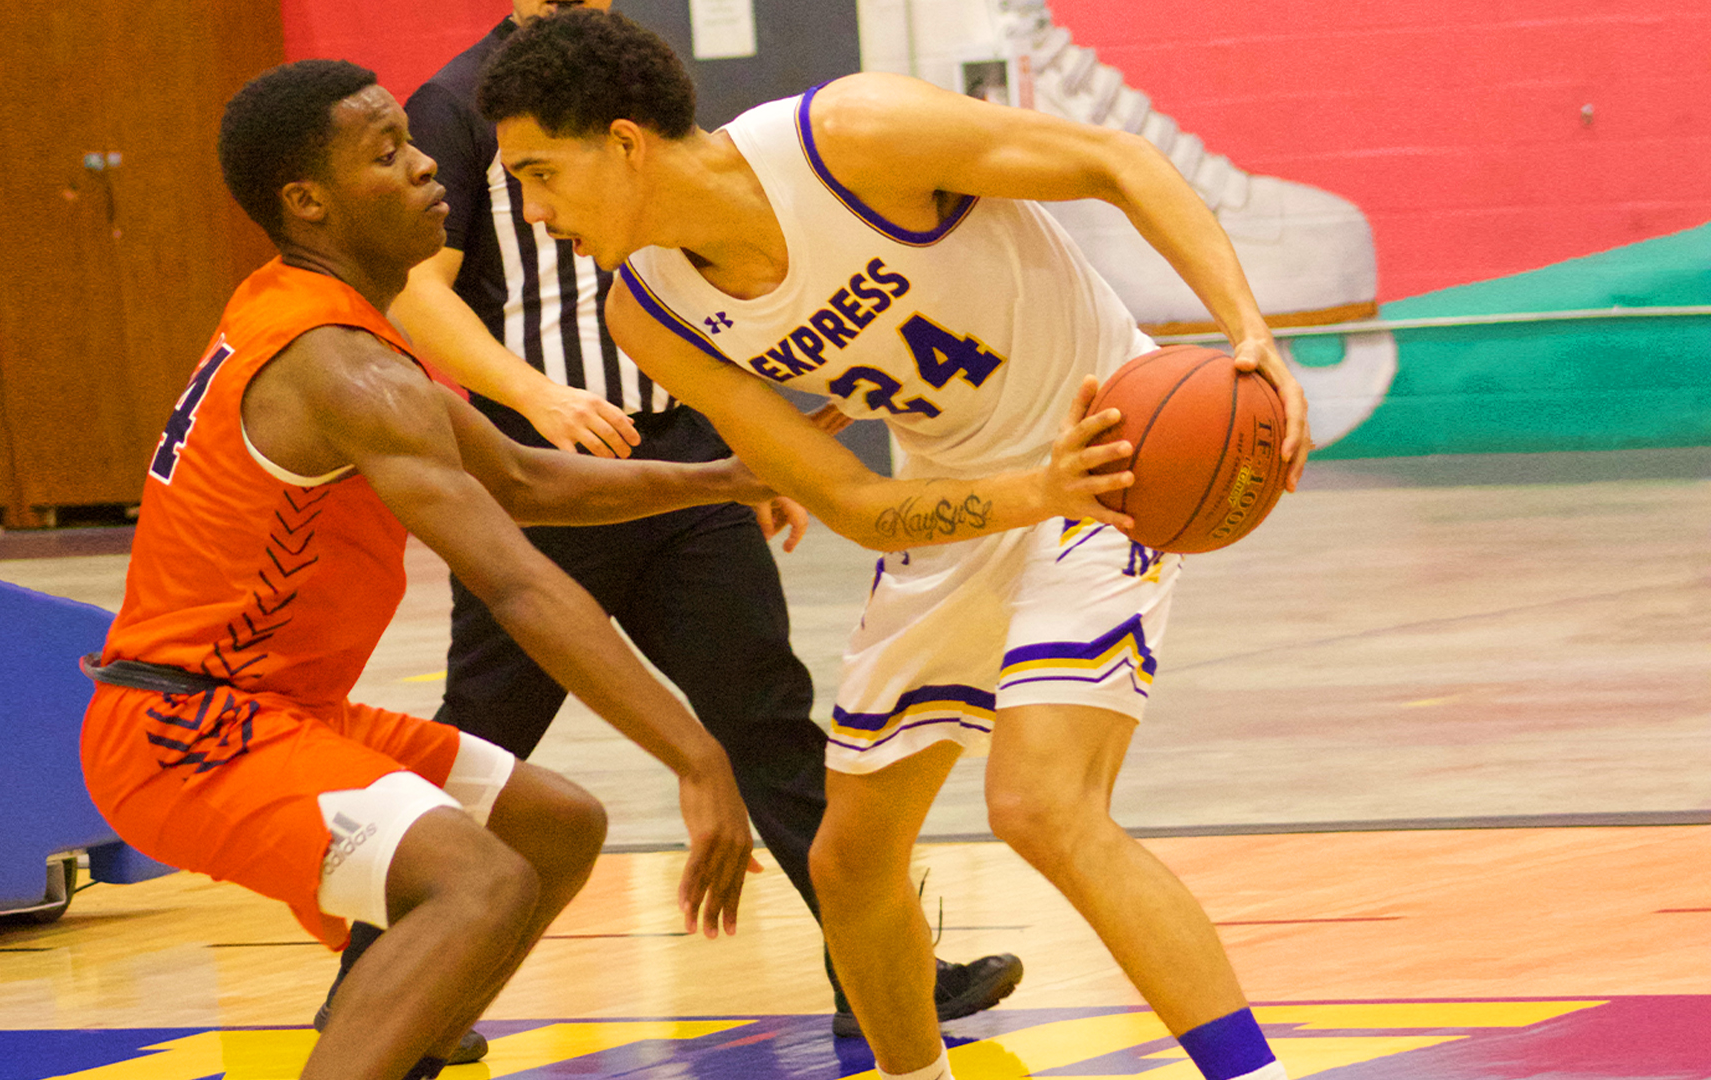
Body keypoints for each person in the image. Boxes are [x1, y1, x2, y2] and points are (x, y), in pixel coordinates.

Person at [477, 11, 1311, 1080]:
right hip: (965, 500)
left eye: (540, 174)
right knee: (849, 860)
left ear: (627, 142)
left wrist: (1248, 332)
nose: (533, 212)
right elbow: (857, 503)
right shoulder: (650, 313)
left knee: (1041, 807)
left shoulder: (851, 138)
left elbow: (1117, 160)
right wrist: (1026, 492)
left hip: (1109, 459)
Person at [303, 0, 1025, 1054]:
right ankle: (369, 988)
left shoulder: (623, 73)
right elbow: (418, 294)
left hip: (680, 456)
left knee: (766, 714)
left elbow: (703, 277)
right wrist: (536, 396)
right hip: (542, 476)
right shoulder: (460, 103)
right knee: (485, 740)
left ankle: (884, 974)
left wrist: (749, 448)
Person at [78, 58, 767, 1080]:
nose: (427, 166)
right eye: (387, 153)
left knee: (553, 829)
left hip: (280, 711)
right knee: (478, 883)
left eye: (411, 143)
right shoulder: (339, 367)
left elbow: (526, 480)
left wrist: (731, 477)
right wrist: (695, 756)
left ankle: (401, 1053)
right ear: (308, 202)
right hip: (188, 730)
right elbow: (520, 581)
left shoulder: (331, 325)